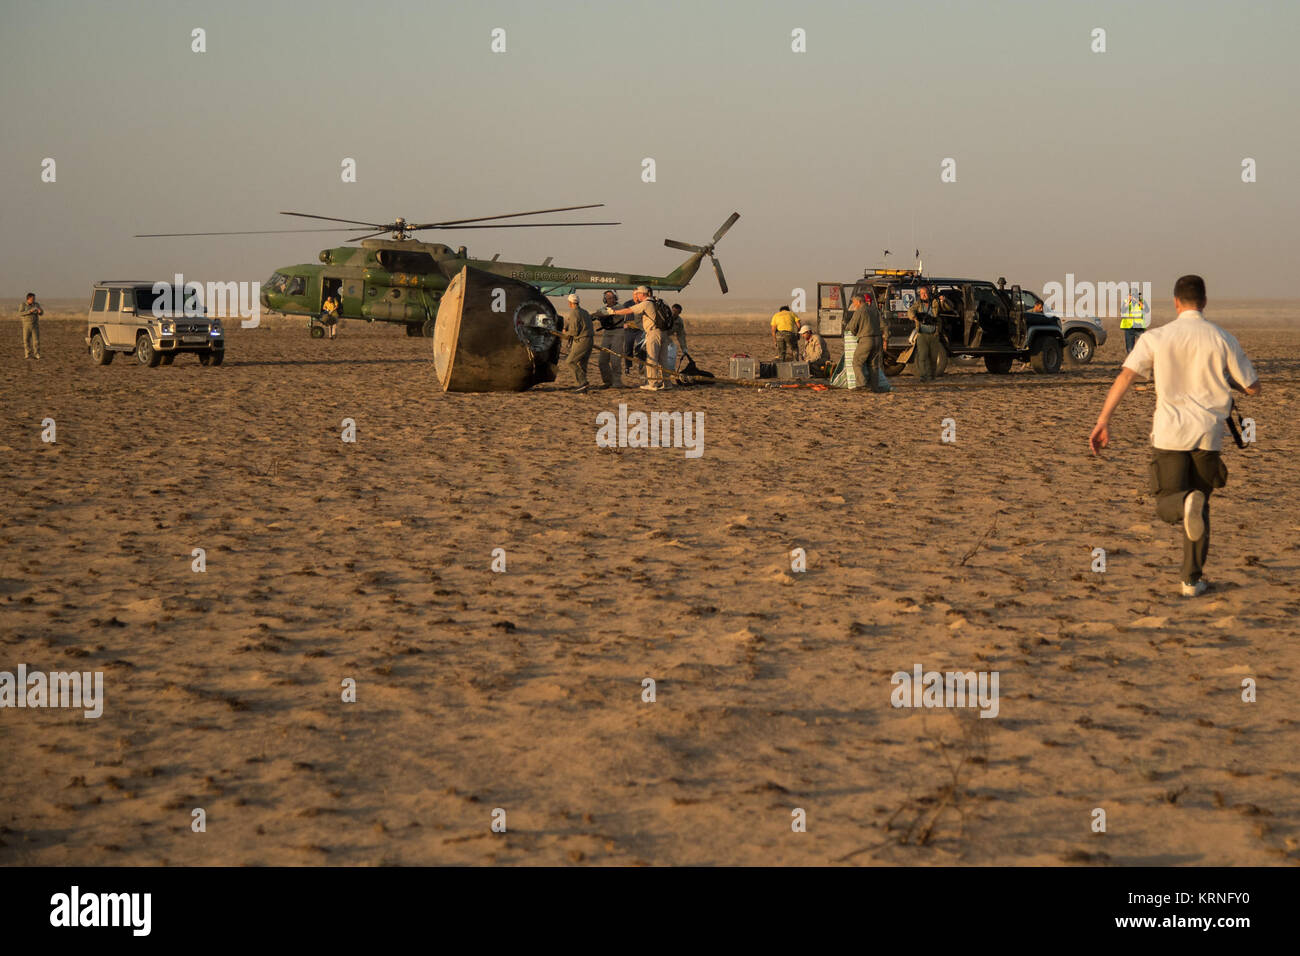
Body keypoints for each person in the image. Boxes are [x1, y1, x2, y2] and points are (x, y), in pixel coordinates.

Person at [1089, 275, 1260, 597]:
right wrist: (1225, 378)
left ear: (1176, 302)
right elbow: (1253, 387)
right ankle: (1191, 580)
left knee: (1166, 502)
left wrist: (1103, 420)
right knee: (1201, 507)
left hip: (1169, 432)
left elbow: (1125, 377)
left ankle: (1183, 505)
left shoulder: (1156, 337)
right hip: (1208, 435)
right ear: (1204, 302)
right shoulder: (1223, 338)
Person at [609, 286, 669, 390]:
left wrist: (613, 312)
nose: (636, 296)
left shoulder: (646, 303)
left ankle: (652, 384)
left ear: (642, 294)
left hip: (653, 333)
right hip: (663, 333)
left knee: (652, 359)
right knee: (663, 360)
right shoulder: (659, 301)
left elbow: (629, 310)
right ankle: (667, 384)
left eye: (637, 294)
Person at [845, 294, 887, 390]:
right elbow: (884, 325)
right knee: (873, 364)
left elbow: (852, 327)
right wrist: (886, 339)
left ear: (859, 302)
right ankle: (874, 386)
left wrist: (855, 333)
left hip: (866, 339)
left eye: (854, 303)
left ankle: (862, 384)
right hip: (878, 339)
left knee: (857, 361)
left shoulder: (859, 311)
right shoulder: (875, 310)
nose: (854, 305)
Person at [908, 284, 942, 382]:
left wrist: (943, 300)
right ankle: (923, 376)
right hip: (922, 334)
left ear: (929, 294)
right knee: (922, 356)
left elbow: (948, 306)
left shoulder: (935, 303)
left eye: (925, 293)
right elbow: (910, 311)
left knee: (933, 357)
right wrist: (915, 318)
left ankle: (932, 376)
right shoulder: (918, 304)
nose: (923, 295)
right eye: (922, 293)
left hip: (934, 334)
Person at [562, 293, 594, 393]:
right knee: (582, 364)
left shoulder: (574, 313)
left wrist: (565, 333)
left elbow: (574, 332)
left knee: (570, 361)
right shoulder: (585, 312)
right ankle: (583, 388)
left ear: (570, 303)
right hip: (589, 340)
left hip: (581, 341)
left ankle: (582, 383)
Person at [595, 290, 624, 388]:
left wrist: (600, 313)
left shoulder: (620, 308)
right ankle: (607, 381)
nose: (609, 300)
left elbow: (606, 313)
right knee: (602, 360)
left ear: (615, 298)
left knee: (615, 359)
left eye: (611, 298)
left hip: (618, 332)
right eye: (607, 298)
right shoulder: (603, 308)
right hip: (607, 333)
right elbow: (597, 314)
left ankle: (617, 382)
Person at [18, 292, 42, 359]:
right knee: (26, 340)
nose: (33, 300)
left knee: (36, 341)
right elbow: (20, 313)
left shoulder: (36, 304)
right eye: (32, 299)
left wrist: (40, 311)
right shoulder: (23, 305)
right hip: (26, 325)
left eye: (34, 299)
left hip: (35, 325)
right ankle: (27, 354)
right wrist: (30, 311)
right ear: (28, 299)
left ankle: (37, 354)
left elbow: (42, 312)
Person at [669, 303, 688, 368]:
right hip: (656, 335)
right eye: (673, 311)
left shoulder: (679, 322)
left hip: (666, 338)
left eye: (676, 312)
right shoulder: (665, 317)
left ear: (679, 313)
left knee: (672, 349)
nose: (674, 313)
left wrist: (684, 348)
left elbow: (681, 335)